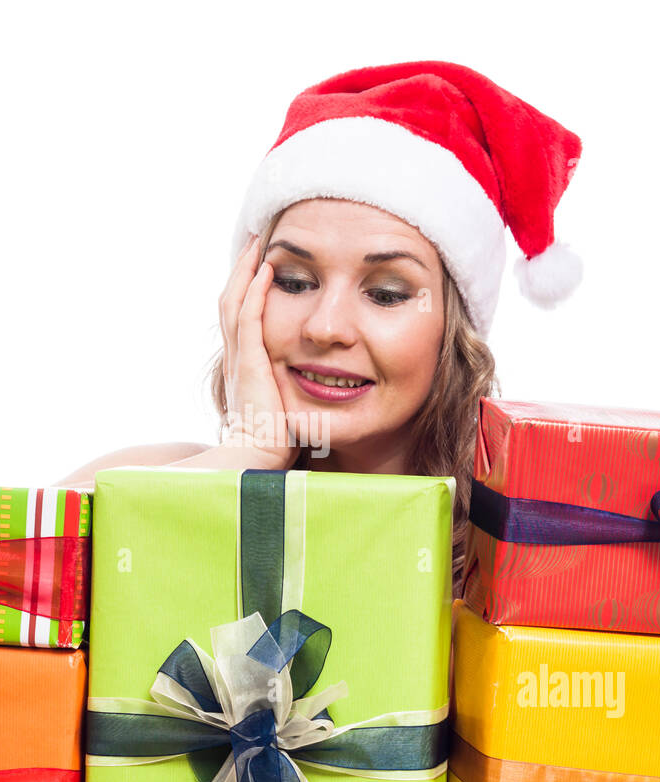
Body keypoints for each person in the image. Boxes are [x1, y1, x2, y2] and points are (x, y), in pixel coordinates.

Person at [60, 60, 583, 596]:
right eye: (293, 280)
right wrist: (250, 456)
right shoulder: (157, 479)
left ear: (457, 330)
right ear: (243, 296)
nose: (326, 326)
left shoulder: (517, 556)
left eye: (386, 293)